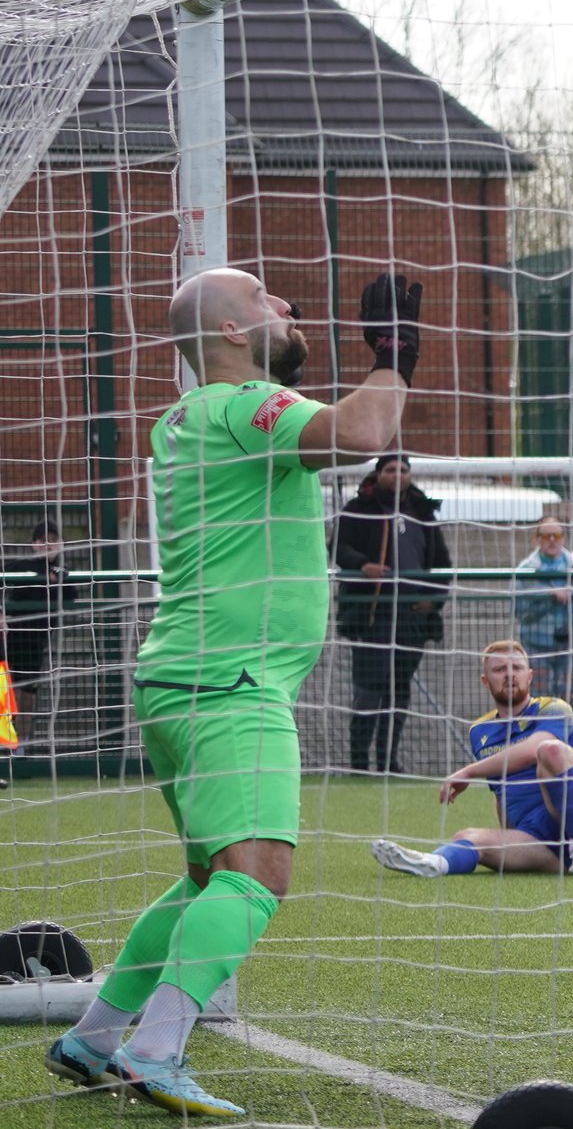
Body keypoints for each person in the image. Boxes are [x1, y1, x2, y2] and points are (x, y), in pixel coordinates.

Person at [44, 266, 412, 1119]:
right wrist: (394, 357)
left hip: (180, 680)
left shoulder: (184, 417)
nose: (288, 308)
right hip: (229, 685)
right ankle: (154, 1051)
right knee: (260, 877)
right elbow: (361, 432)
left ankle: (93, 1036)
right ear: (231, 332)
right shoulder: (248, 407)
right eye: (268, 301)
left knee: (206, 877)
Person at [371, 640, 573, 878]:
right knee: (467, 838)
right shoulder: (480, 731)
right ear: (485, 681)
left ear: (529, 676)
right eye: (499, 670)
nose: (509, 675)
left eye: (516, 668)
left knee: (551, 750)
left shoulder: (554, 708)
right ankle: (431, 862)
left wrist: (468, 772)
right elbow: (502, 793)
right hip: (541, 841)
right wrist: (507, 838)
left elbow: (533, 749)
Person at [331, 455, 451, 774]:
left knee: (399, 689)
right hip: (373, 616)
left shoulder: (423, 512)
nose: (397, 475)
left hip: (413, 616)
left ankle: (388, 761)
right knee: (369, 689)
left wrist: (433, 601)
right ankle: (360, 762)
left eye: (403, 470)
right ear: (378, 474)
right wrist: (362, 565)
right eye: (390, 470)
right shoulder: (357, 510)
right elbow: (337, 548)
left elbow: (443, 564)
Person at [2, 517, 75, 750]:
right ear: (34, 543)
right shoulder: (23, 565)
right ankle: (6, 741)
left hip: (37, 641)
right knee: (7, 690)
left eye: (53, 540)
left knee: (27, 694)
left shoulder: (62, 572)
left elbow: (72, 593)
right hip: (12, 638)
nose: (48, 545)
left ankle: (20, 746)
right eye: (43, 540)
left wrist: (57, 577)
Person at [512, 517, 573, 707]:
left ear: (563, 538)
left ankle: (569, 735)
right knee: (538, 699)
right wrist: (549, 597)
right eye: (546, 536)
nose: (552, 540)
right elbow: (518, 609)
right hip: (537, 643)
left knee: (572, 696)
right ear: (537, 539)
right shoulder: (526, 569)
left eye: (557, 535)